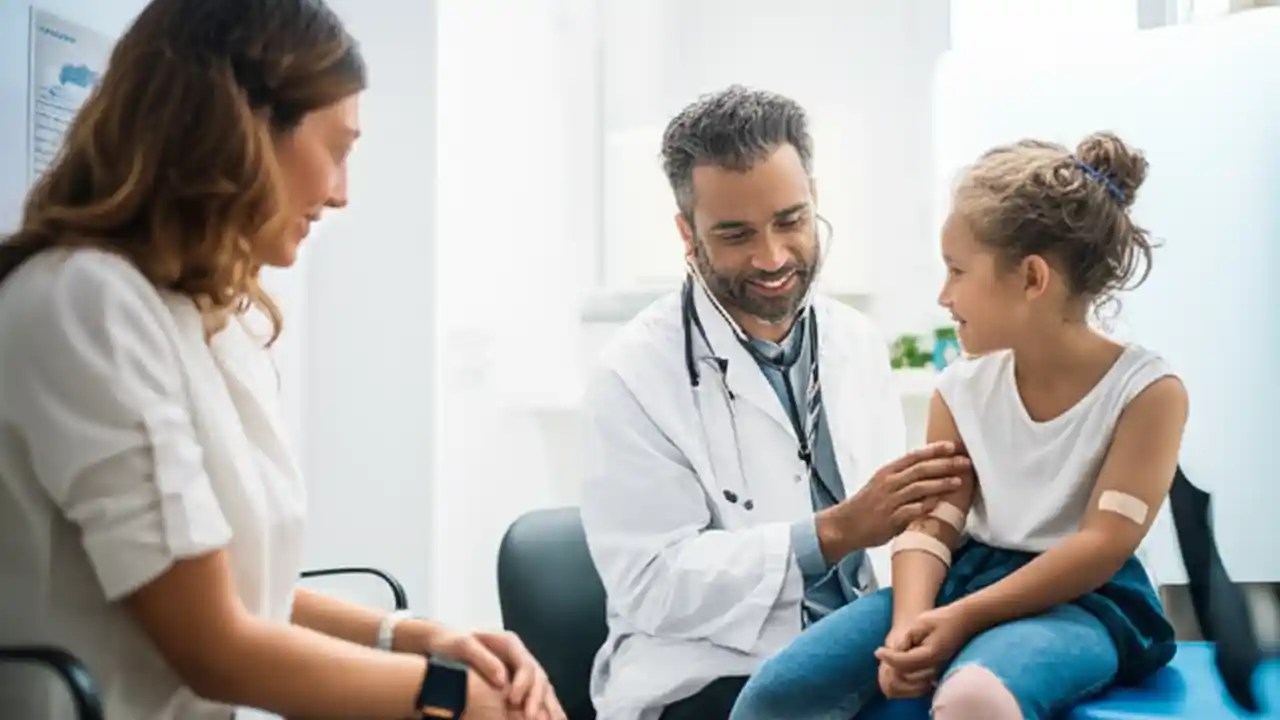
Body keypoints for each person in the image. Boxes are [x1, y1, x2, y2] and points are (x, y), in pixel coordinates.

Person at [0, 1, 564, 719]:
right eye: (337, 149)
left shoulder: (205, 318)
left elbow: (228, 589)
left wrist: (421, 638)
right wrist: (448, 696)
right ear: (240, 128)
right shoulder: (84, 303)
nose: (340, 192)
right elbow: (213, 645)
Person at [730, 132, 1188, 720]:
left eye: (956, 271)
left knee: (974, 699)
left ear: (1031, 278)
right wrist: (911, 624)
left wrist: (961, 619)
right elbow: (933, 524)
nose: (944, 296)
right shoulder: (962, 389)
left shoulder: (1148, 393)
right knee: (775, 695)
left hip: (1087, 602)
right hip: (964, 580)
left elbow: (1102, 546)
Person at [579, 85, 971, 720]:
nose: (772, 257)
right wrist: (834, 532)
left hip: (864, 648)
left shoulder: (855, 341)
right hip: (714, 671)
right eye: (736, 235)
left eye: (790, 221)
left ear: (815, 201)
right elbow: (652, 585)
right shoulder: (633, 375)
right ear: (688, 233)